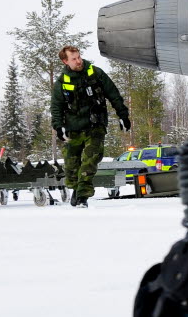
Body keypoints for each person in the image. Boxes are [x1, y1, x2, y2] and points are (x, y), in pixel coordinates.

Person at [51, 46, 130, 207]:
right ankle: (77, 188)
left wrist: (123, 115)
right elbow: (56, 106)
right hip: (73, 127)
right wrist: (59, 127)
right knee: (71, 166)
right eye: (74, 59)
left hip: (95, 125)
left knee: (90, 160)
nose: (79, 61)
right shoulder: (62, 81)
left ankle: (82, 197)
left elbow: (113, 94)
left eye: (79, 57)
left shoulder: (95, 73)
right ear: (65, 61)